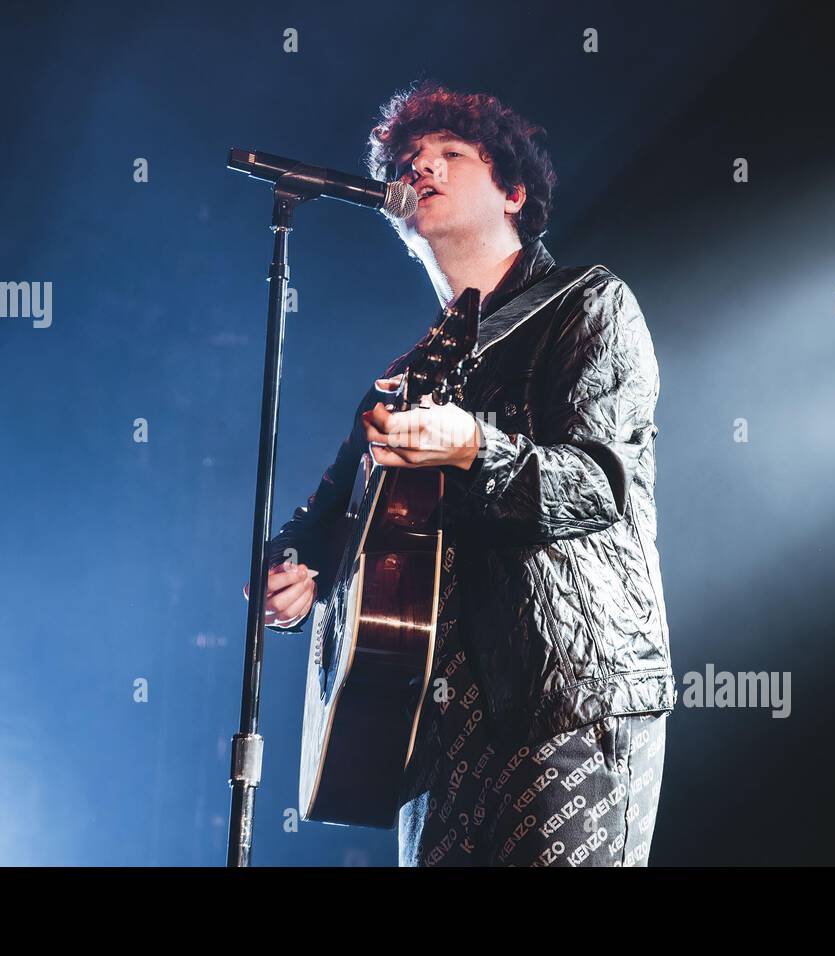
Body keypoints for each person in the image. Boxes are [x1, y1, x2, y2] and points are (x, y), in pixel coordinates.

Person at [245, 80, 675, 866]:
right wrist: (292, 572)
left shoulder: (589, 305)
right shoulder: (405, 381)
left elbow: (598, 486)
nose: (422, 170)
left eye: (451, 154)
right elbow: (321, 527)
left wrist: (474, 444)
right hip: (430, 726)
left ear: (513, 191)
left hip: (565, 698)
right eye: (409, 161)